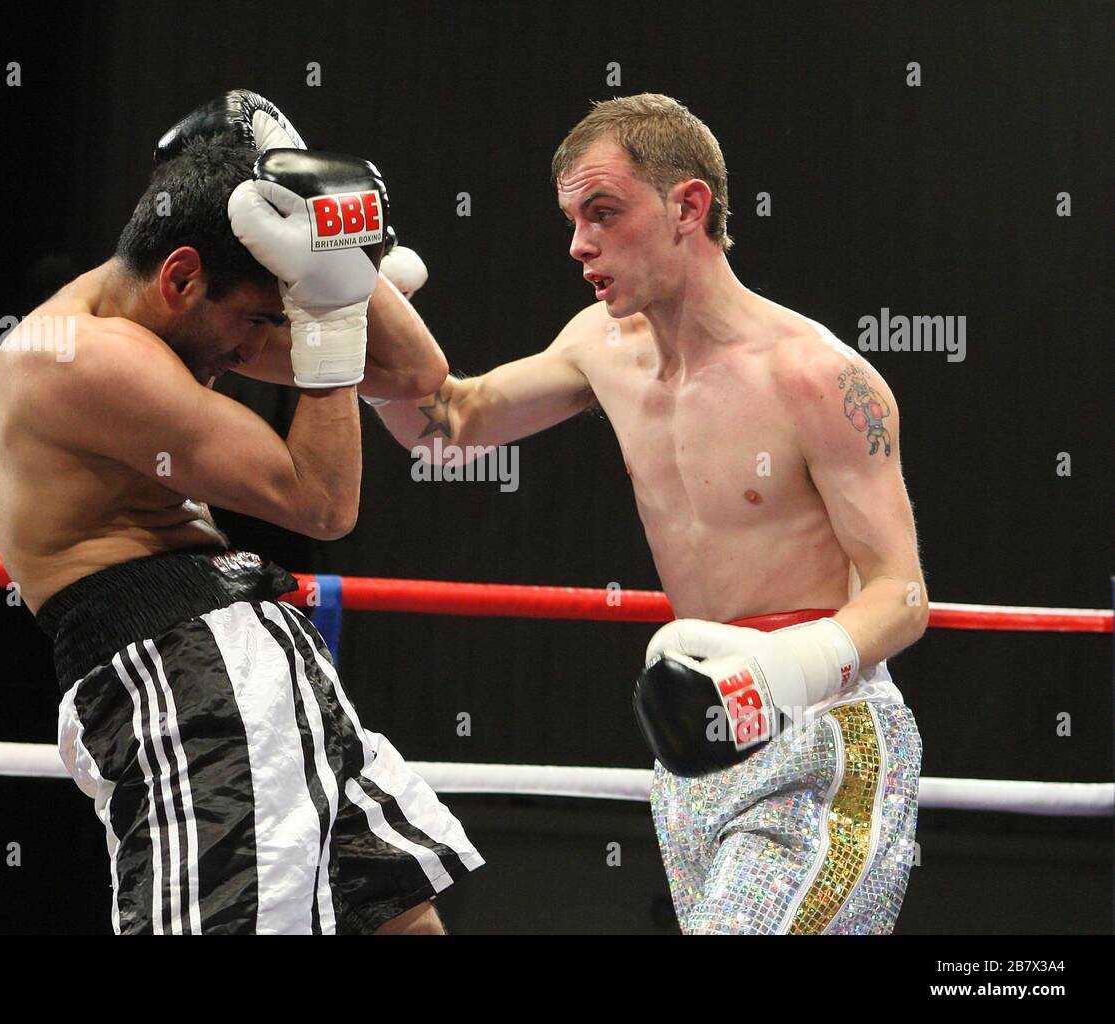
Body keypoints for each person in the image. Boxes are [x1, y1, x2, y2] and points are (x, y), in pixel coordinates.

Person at [367, 93, 924, 934]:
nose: (579, 245)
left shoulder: (816, 377)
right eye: (572, 220)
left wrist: (778, 673)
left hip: (825, 733)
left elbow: (901, 595)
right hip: (694, 746)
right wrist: (351, 307)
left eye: (603, 213)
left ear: (687, 207)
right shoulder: (600, 345)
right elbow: (444, 425)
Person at [0, 90, 482, 934]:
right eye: (253, 321)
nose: (255, 349)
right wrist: (327, 306)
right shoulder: (88, 361)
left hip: (236, 660)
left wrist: (331, 232)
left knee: (398, 926)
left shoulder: (166, 315)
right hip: (184, 675)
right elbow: (323, 505)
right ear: (180, 276)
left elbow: (415, 375)